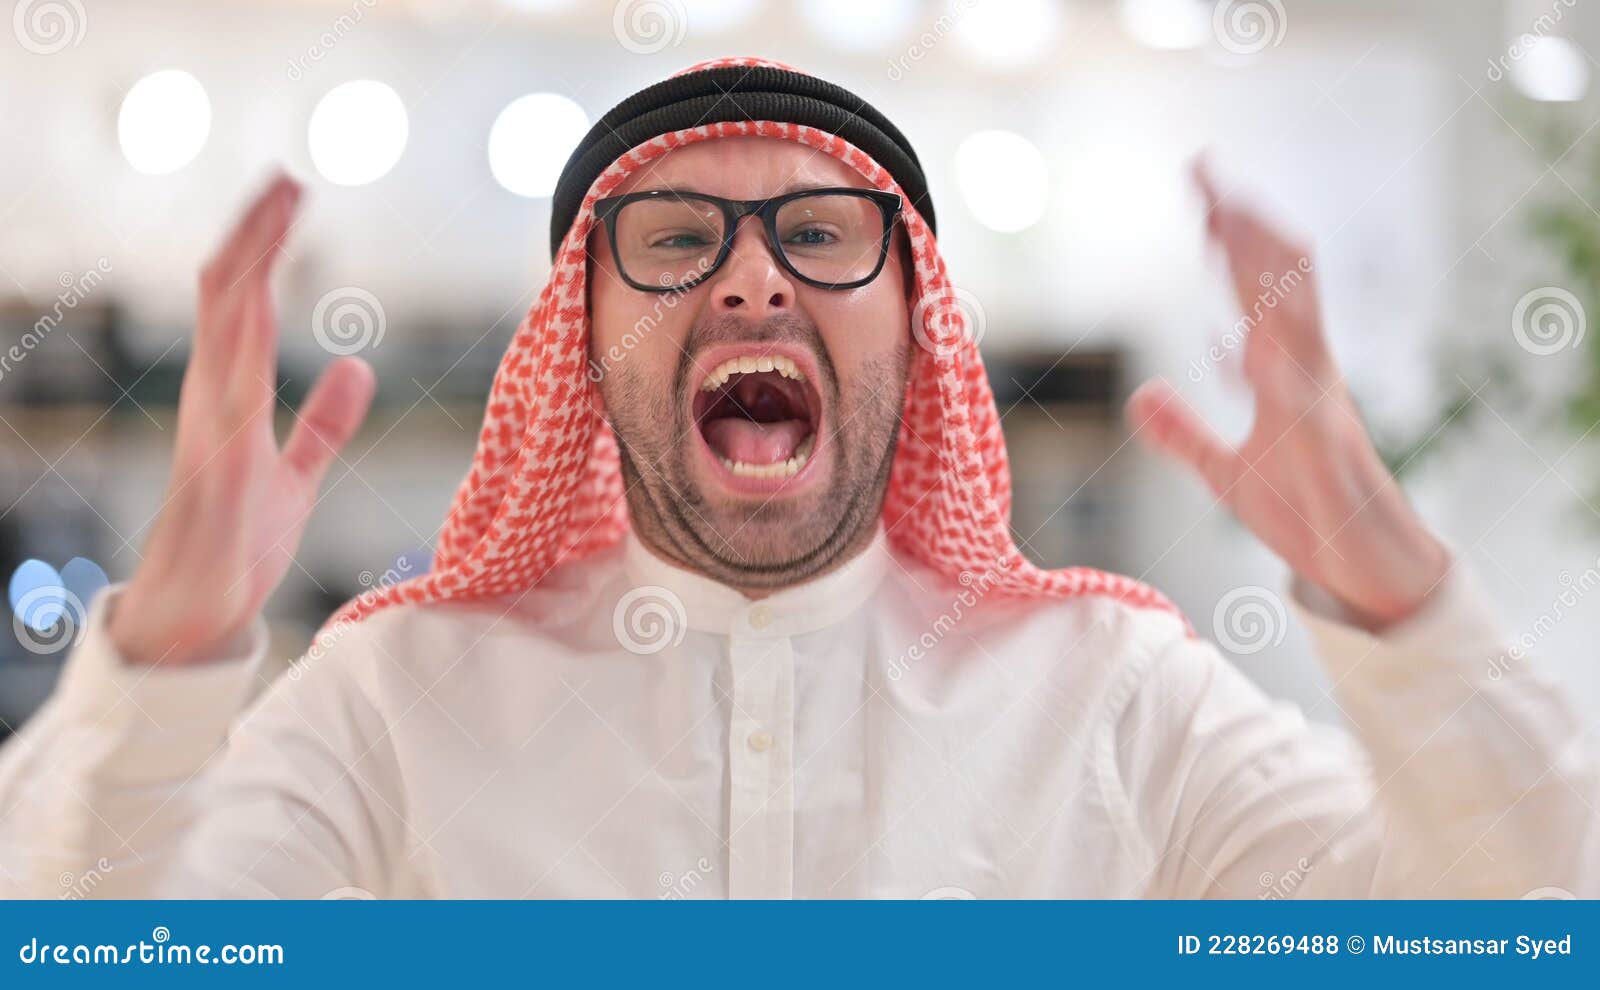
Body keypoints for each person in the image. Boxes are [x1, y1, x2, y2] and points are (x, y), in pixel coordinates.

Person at [0, 57, 1592, 899]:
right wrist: (164, 659)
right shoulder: (397, 698)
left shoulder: (1117, 696)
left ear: (920, 326)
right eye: (676, 240)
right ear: (583, 341)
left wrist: (1406, 597)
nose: (754, 280)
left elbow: (1518, 921)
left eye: (821, 236)